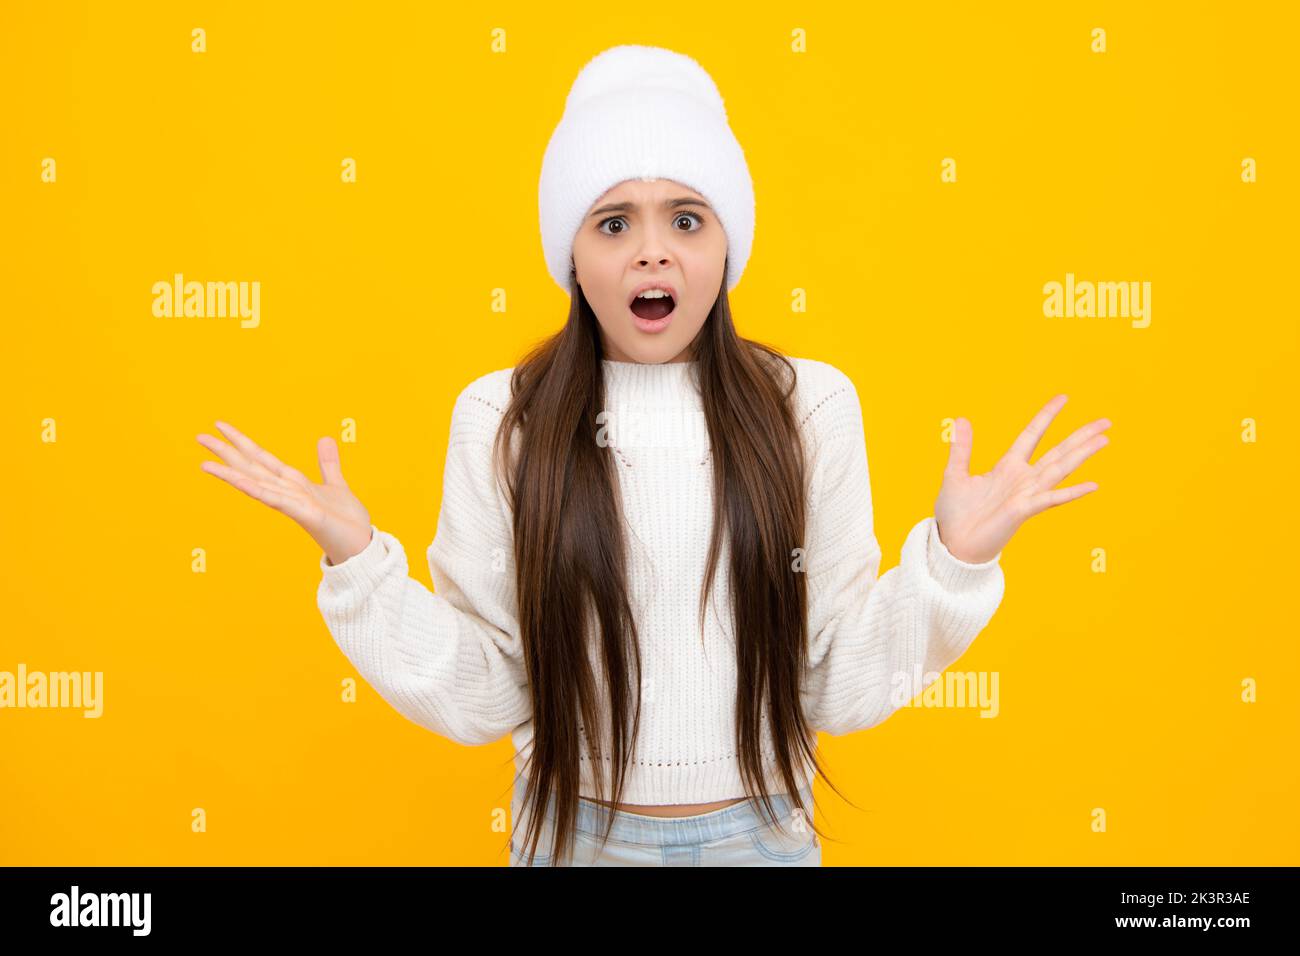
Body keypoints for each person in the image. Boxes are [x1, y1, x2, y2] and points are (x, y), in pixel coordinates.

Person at [196, 45, 1111, 866]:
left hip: (764, 838)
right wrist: (361, 569)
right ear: (572, 256)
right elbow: (487, 692)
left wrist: (954, 566)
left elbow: (833, 683)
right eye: (612, 223)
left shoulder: (809, 408)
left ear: (728, 246)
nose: (651, 255)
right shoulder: (502, 420)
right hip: (572, 840)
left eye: (685, 219)